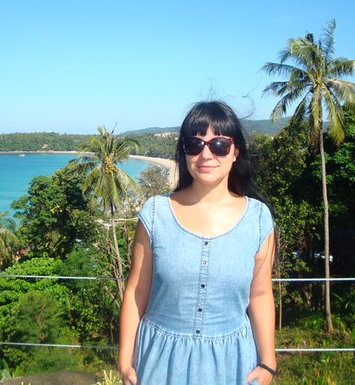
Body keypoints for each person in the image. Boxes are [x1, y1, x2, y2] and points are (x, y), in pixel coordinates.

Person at [118, 101, 277, 385]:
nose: (206, 154)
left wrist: (268, 362)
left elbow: (261, 294)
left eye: (219, 145)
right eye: (194, 144)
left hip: (232, 364)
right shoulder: (155, 214)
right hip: (160, 361)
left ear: (235, 152)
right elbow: (136, 291)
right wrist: (124, 360)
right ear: (184, 151)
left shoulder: (258, 219)